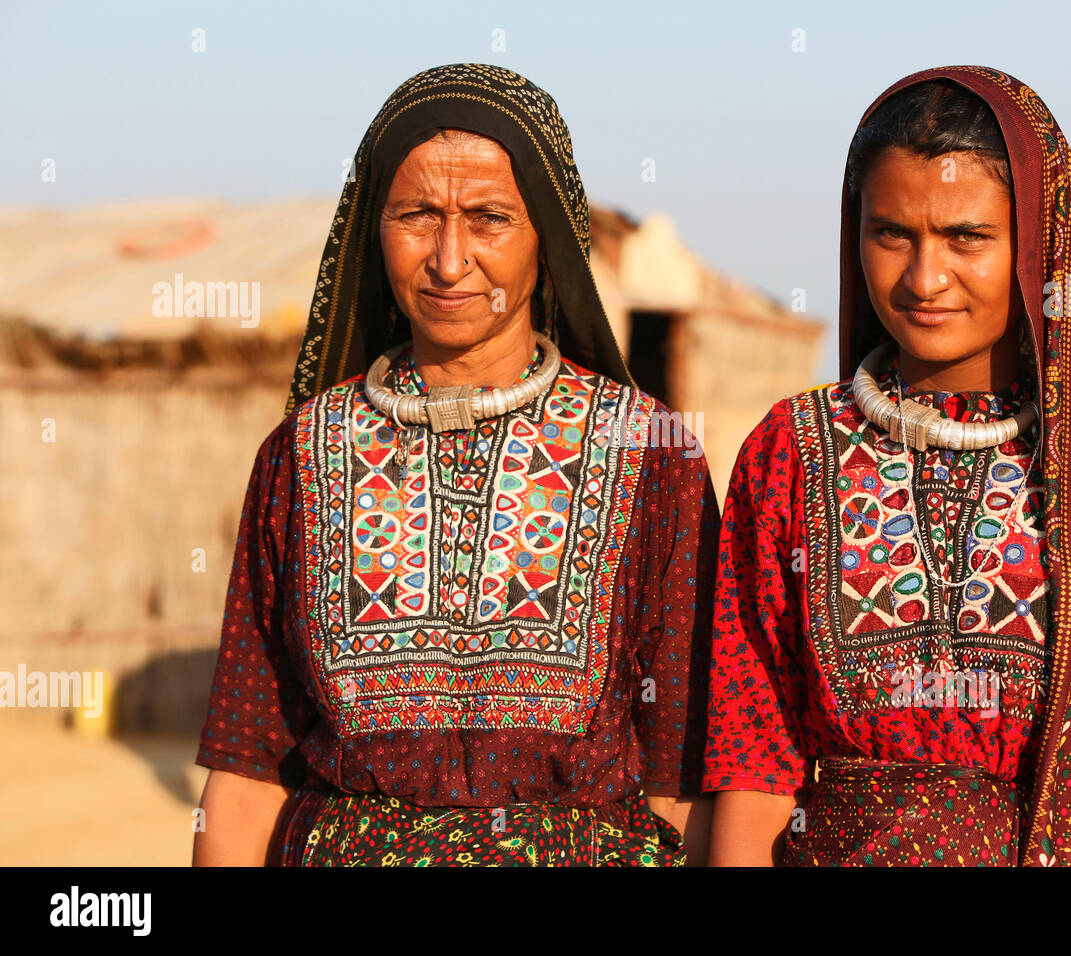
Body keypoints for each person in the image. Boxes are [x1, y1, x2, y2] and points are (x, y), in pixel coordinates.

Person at [704, 66, 1071, 866]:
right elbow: (754, 742)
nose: (924, 279)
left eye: (967, 238)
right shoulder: (792, 447)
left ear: (1034, 244)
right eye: (892, 234)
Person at [192, 63, 718, 866]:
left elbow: (682, 776)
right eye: (416, 215)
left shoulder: (649, 451)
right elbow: (246, 769)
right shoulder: (302, 453)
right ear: (374, 225)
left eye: (489, 218)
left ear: (546, 230)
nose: (447, 259)